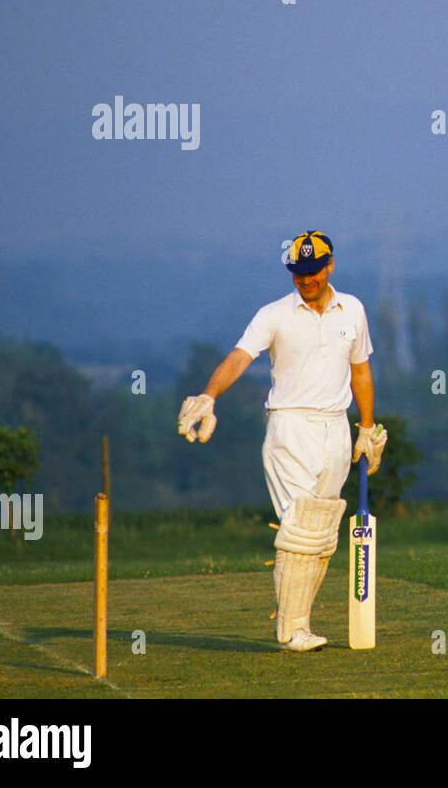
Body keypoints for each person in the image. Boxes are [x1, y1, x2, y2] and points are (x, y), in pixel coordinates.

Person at [177, 231, 387, 651]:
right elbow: (240, 356)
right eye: (297, 273)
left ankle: (301, 624)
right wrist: (208, 395)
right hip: (289, 427)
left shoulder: (354, 310)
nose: (305, 280)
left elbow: (360, 370)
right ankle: (290, 630)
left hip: (336, 428)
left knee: (323, 530)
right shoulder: (274, 314)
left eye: (312, 272)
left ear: (330, 267)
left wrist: (365, 427)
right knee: (300, 525)